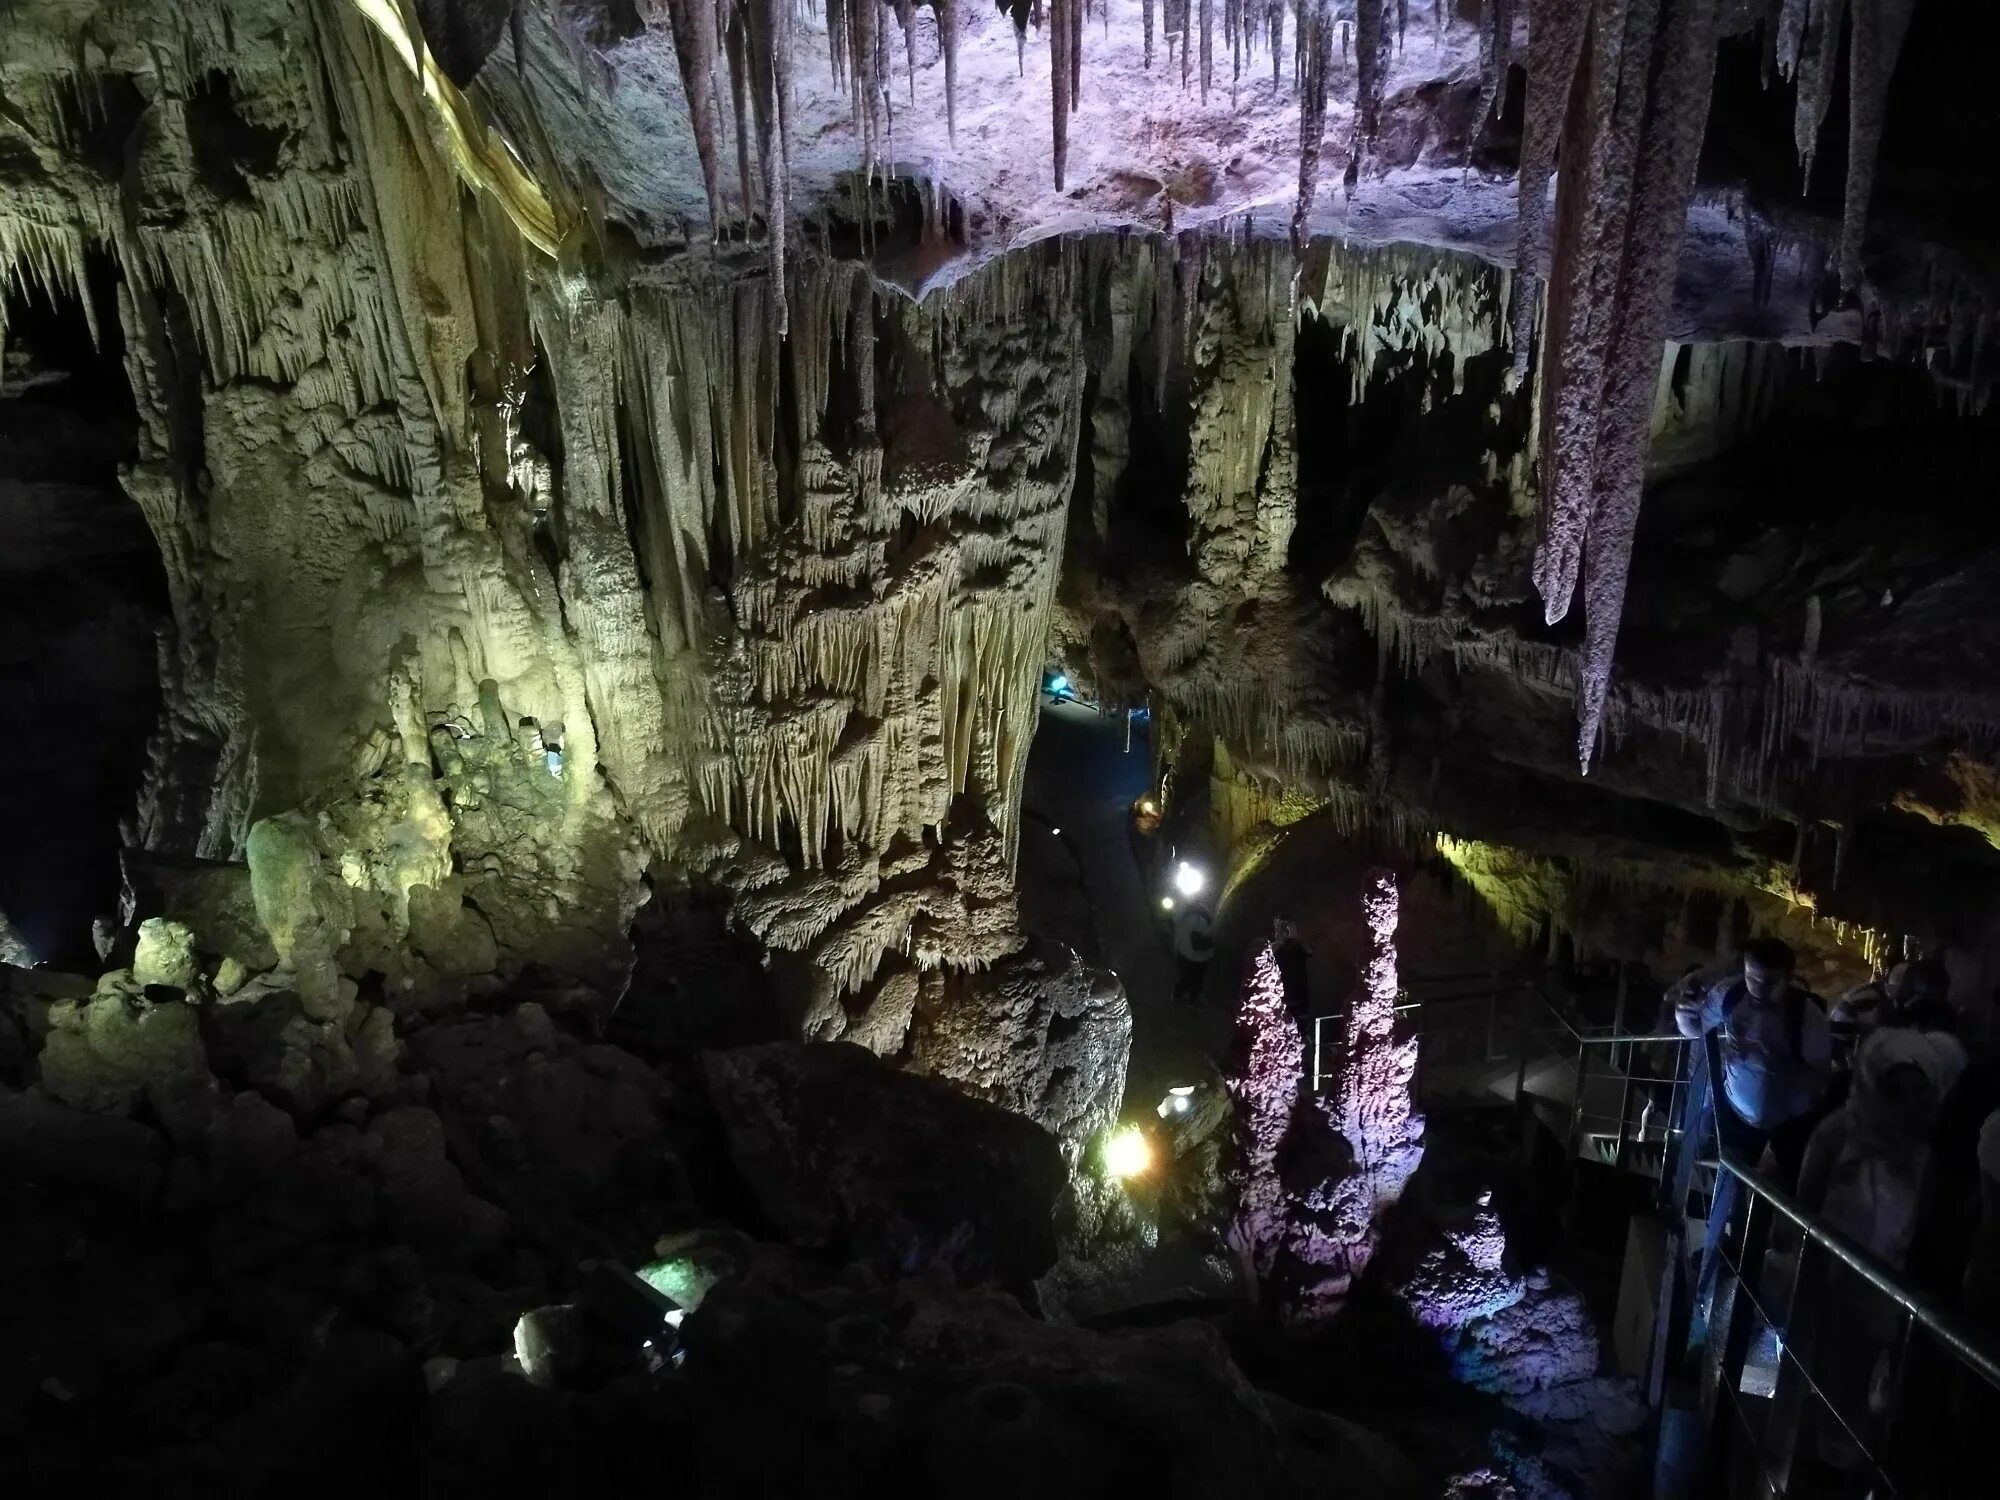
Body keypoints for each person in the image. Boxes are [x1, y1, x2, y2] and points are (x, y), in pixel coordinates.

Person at [1674, 936, 1835, 1189]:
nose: (1759, 988)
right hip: (1741, 1114)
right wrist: (1682, 1011)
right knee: (1730, 1182)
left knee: (1786, 1191)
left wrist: (1780, 1064)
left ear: (1788, 978)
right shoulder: (1731, 994)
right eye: (1752, 978)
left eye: (1769, 982)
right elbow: (1695, 1027)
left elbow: (1821, 1080)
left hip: (1790, 1124)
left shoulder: (1807, 1017)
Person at [1173, 900, 1215, 1006]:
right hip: (1190, 954)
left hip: (1197, 955)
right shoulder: (1189, 915)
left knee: (1194, 979)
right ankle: (1183, 997)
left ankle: (1190, 999)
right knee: (1188, 979)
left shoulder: (1201, 915)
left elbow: (1211, 930)